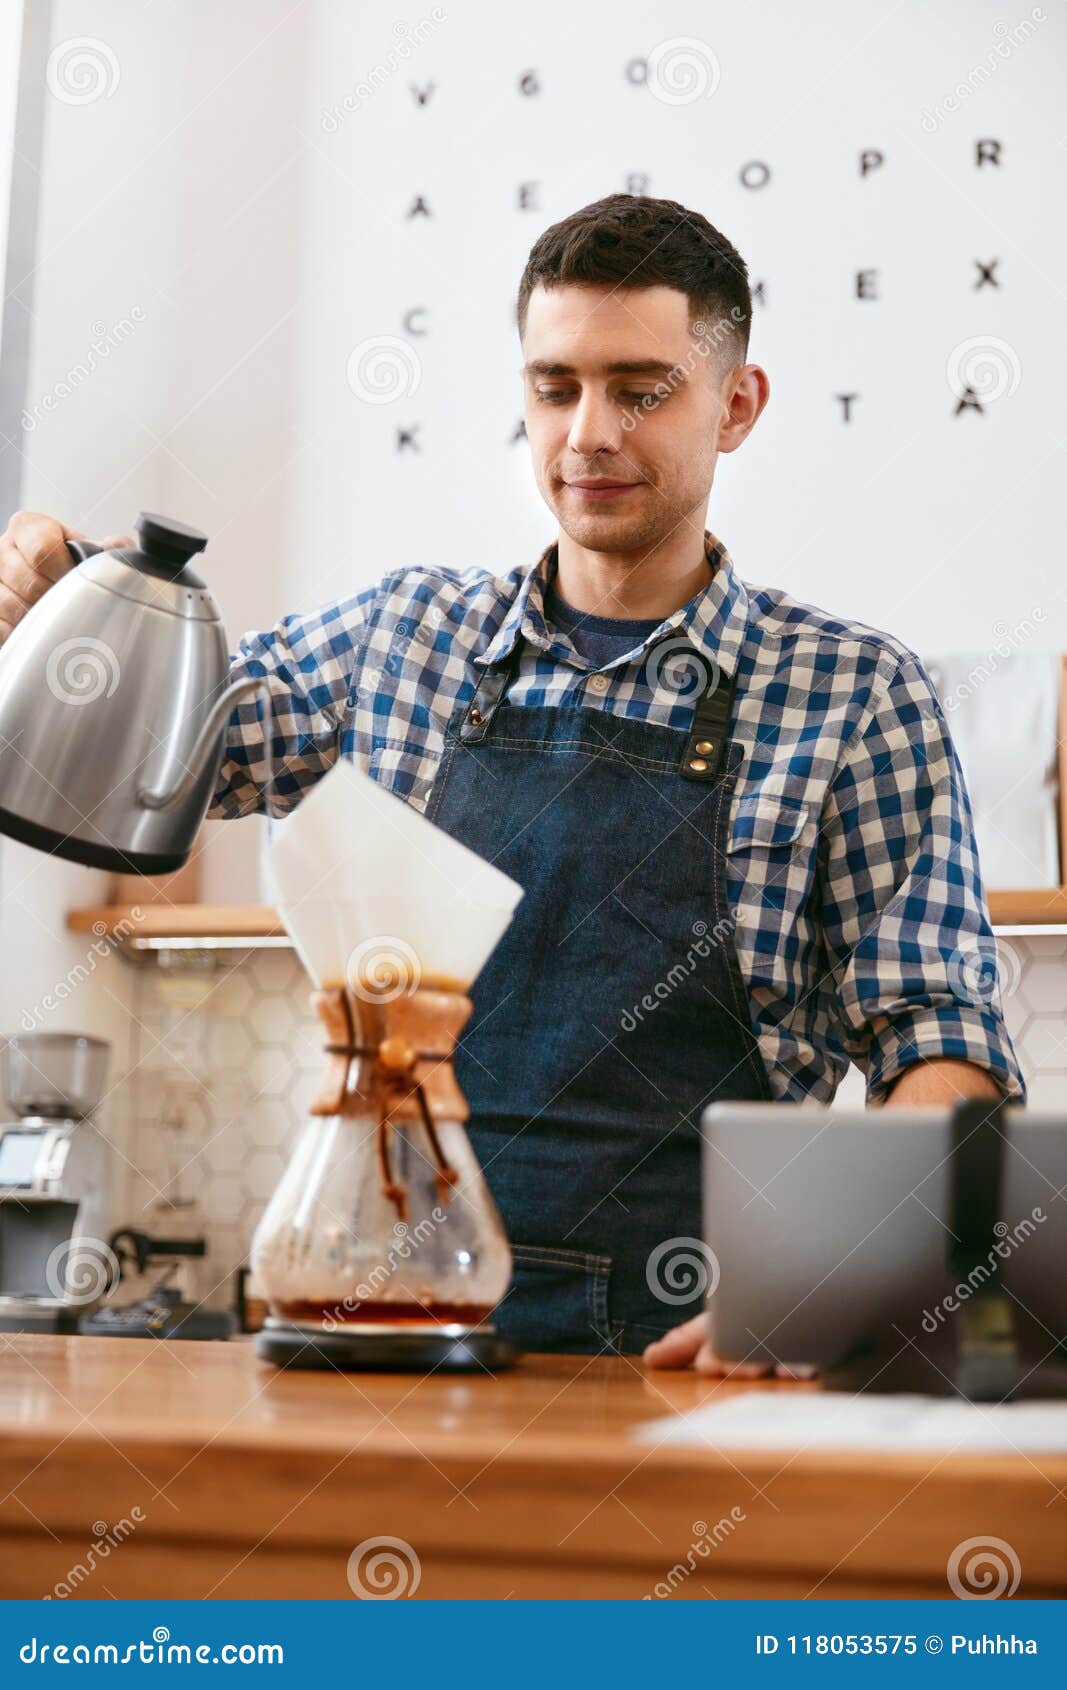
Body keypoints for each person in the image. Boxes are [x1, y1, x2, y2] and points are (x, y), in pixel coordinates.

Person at [0, 194, 1023, 1376]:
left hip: (692, 1371)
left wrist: (830, 1283)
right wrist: (59, 608)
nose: (587, 433)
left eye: (640, 389)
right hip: (381, 1335)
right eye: (554, 386)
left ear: (735, 406)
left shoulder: (850, 695)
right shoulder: (399, 638)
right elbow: (171, 743)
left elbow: (944, 1050)